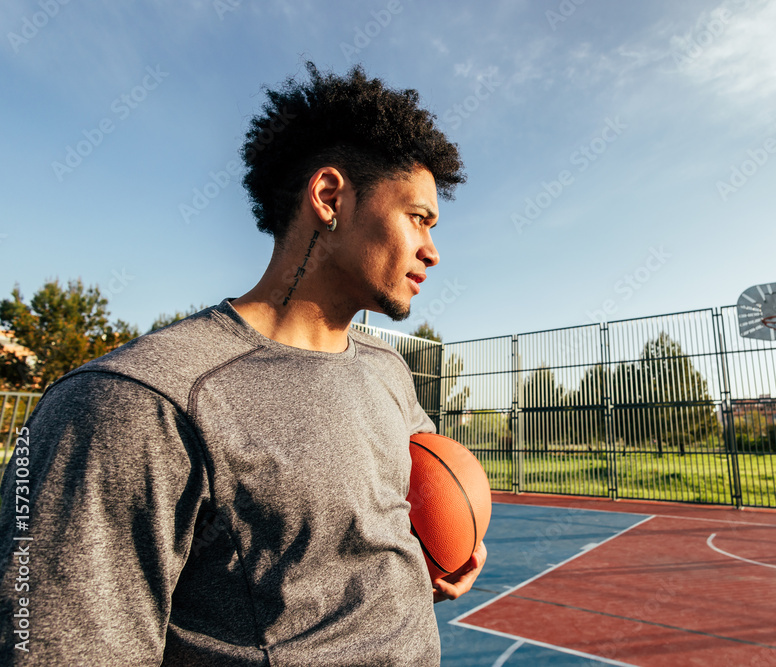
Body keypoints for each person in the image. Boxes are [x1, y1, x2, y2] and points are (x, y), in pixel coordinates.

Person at [0, 63, 485, 665]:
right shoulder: (134, 401)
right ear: (330, 198)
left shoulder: (387, 370)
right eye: (418, 218)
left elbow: (406, 505)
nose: (433, 251)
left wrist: (439, 547)